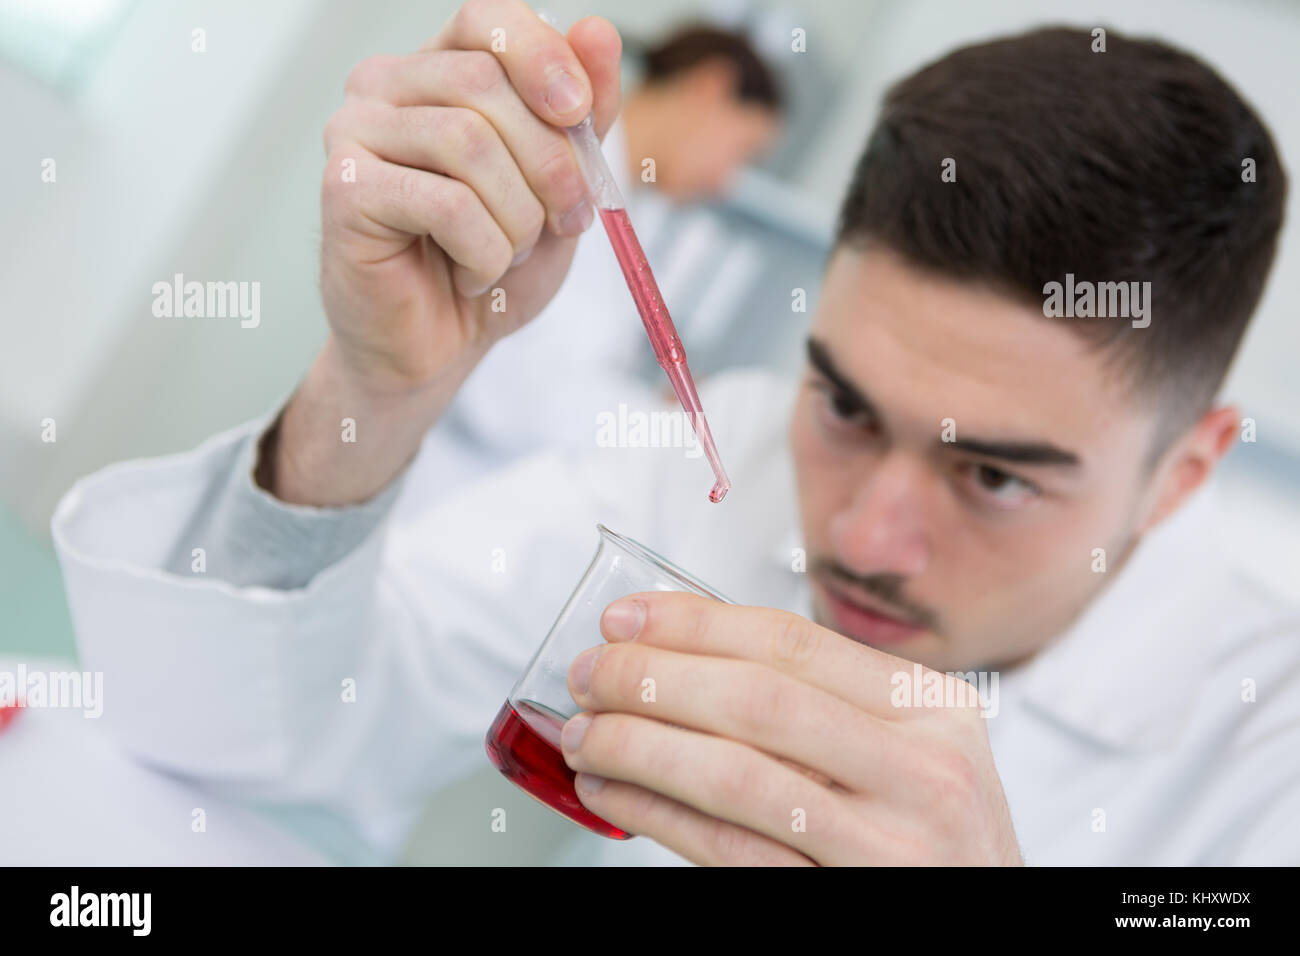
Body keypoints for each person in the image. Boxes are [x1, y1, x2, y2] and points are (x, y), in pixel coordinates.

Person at [52, 2, 1297, 866]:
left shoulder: (1263, 747)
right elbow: (219, 726)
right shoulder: (718, 468)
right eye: (847, 406)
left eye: (992, 476)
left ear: (1184, 470)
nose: (859, 537)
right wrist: (372, 389)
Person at [426, 23, 783, 494]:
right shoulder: (558, 170)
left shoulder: (633, 208)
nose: (725, 182)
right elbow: (503, 394)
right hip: (433, 494)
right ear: (709, 87)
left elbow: (568, 367)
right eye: (742, 153)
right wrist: (672, 426)